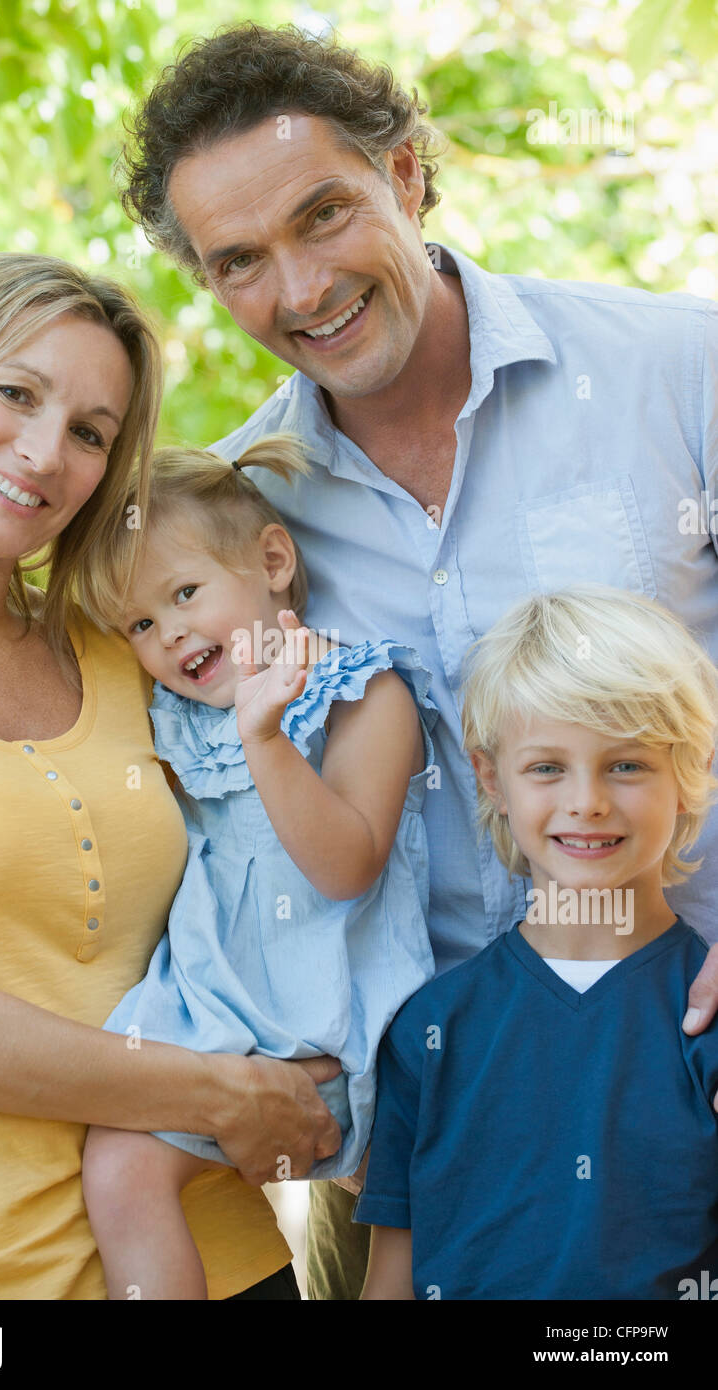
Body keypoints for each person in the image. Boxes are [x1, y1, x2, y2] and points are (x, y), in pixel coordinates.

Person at [116, 21, 718, 1297]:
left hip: (687, 1066)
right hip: (420, 1130)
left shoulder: (678, 368)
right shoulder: (240, 524)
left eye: (322, 214)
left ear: (406, 174)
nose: (299, 287)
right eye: (240, 261)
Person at [0, 252, 341, 1301]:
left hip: (221, 1249)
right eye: (16, 393)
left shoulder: (129, 643)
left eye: (90, 432)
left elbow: (297, 838)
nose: (43, 453)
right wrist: (227, 1093)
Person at [78, 432, 436, 1299]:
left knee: (409, 1227)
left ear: (272, 559)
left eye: (185, 594)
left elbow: (346, 867)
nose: (170, 634)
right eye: (140, 623)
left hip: (343, 1028)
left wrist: (265, 738)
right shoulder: (175, 715)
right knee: (120, 1165)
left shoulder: (361, 693)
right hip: (209, 1020)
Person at [357, 585, 718, 1299]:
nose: (585, 800)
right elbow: (391, 1277)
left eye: (626, 764)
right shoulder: (429, 1030)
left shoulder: (703, 1014)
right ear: (490, 777)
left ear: (688, 773)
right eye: (547, 767)